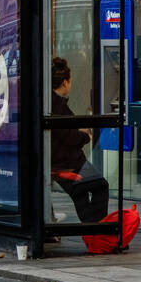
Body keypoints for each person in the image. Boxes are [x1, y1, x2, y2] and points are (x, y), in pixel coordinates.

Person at [50, 57, 110, 223]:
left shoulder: (50, 101)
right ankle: (96, 232)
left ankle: (93, 232)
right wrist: (86, 136)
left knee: (80, 194)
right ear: (64, 82)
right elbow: (69, 136)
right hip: (69, 163)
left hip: (60, 161)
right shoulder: (58, 105)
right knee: (101, 186)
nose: (70, 84)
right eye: (70, 80)